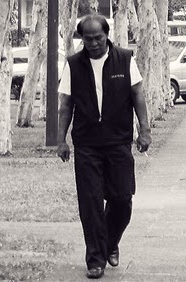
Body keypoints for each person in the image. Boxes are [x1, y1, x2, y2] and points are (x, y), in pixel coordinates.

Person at [57, 14, 151, 279]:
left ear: (107, 35)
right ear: (82, 39)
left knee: (122, 199)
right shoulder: (73, 64)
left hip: (118, 141)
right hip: (86, 144)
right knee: (91, 203)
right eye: (88, 39)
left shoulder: (124, 58)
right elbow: (66, 105)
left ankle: (110, 242)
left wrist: (144, 130)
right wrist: (61, 139)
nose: (94, 43)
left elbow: (138, 95)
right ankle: (95, 259)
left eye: (98, 38)